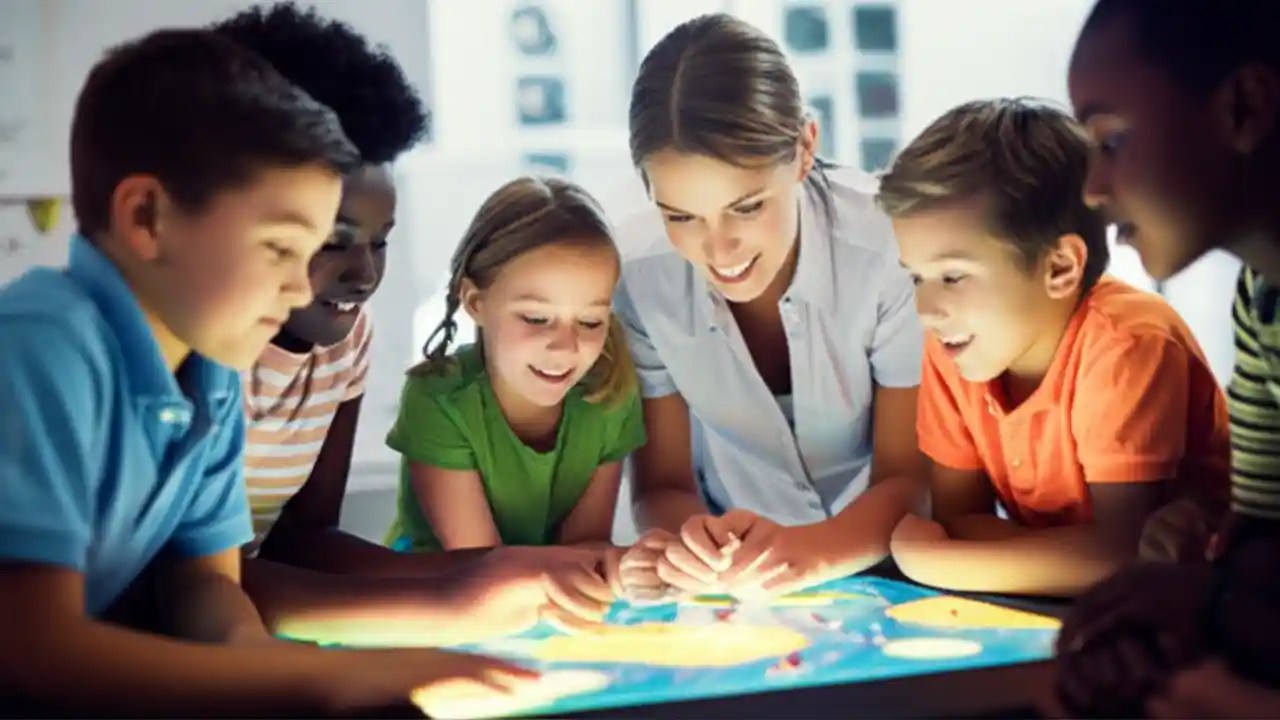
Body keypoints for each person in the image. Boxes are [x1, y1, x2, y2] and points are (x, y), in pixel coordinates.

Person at [0, 28, 539, 715]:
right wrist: (319, 679)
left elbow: (206, 589)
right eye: (284, 246)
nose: (296, 287)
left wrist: (279, 667)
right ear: (147, 217)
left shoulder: (211, 375)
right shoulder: (42, 349)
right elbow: (34, 648)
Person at [213, 2, 600, 648]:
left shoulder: (343, 340)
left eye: (381, 242)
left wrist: (498, 568)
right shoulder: (195, 361)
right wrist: (445, 606)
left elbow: (304, 539)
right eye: (333, 241)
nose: (363, 275)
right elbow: (197, 588)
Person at [613, 13, 924, 599]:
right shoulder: (637, 276)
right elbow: (663, 482)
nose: (718, 248)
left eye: (748, 206)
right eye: (681, 216)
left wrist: (808, 556)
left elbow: (909, 478)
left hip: (902, 563)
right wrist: (692, 547)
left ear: (805, 148)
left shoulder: (891, 247)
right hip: (734, 585)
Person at [878, 98, 1229, 597]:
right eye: (917, 277)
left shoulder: (1125, 345)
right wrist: (1056, 555)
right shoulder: (956, 348)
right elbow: (962, 520)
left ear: (1060, 268)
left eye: (952, 276)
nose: (926, 309)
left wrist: (931, 561)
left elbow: (1122, 556)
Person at [1053, 0, 1280, 715]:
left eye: (1111, 138)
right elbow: (1263, 543)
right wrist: (1165, 612)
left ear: (1244, 107)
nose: (1092, 188)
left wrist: (1213, 609)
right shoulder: (1262, 300)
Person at [385, 175, 654, 608]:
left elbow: (584, 547)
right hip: (438, 601)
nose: (566, 346)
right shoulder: (438, 399)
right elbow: (484, 566)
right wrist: (605, 564)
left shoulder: (609, 395)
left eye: (590, 322)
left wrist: (632, 563)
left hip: (545, 593)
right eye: (535, 318)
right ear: (475, 303)